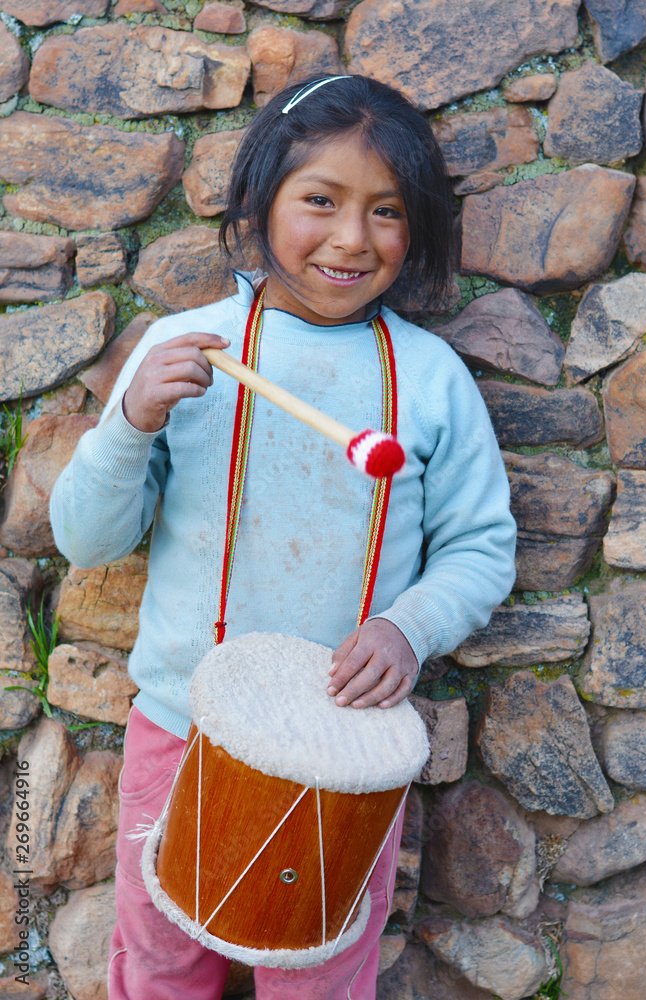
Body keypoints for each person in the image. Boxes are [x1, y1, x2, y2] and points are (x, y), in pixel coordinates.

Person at [50, 75, 516, 1000]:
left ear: (415, 228)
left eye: (386, 211)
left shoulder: (427, 379)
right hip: (184, 729)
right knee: (161, 962)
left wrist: (407, 629)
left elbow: (478, 548)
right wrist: (130, 423)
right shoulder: (188, 351)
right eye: (320, 201)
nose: (352, 238)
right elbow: (87, 542)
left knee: (319, 974)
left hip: (346, 754)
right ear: (259, 201)